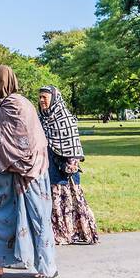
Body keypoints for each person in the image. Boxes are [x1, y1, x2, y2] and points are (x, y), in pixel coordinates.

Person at [0, 65, 58, 278]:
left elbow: (24, 141)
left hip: (27, 173)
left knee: (37, 216)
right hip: (3, 173)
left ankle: (47, 266)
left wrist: (8, 162)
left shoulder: (17, 104)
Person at [39, 85, 99, 245]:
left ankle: (78, 231)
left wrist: (72, 162)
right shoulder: (41, 118)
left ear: (54, 98)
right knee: (53, 199)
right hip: (47, 164)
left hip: (65, 167)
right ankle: (59, 232)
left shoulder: (65, 117)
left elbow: (73, 143)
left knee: (70, 199)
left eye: (45, 97)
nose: (42, 100)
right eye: (40, 98)